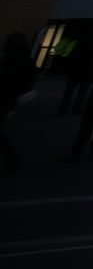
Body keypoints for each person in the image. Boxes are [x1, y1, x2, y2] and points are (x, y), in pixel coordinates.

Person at [1, 32, 38, 173]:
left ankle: (11, 157)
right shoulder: (24, 59)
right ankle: (11, 157)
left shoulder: (12, 59)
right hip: (8, 97)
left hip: (4, 96)